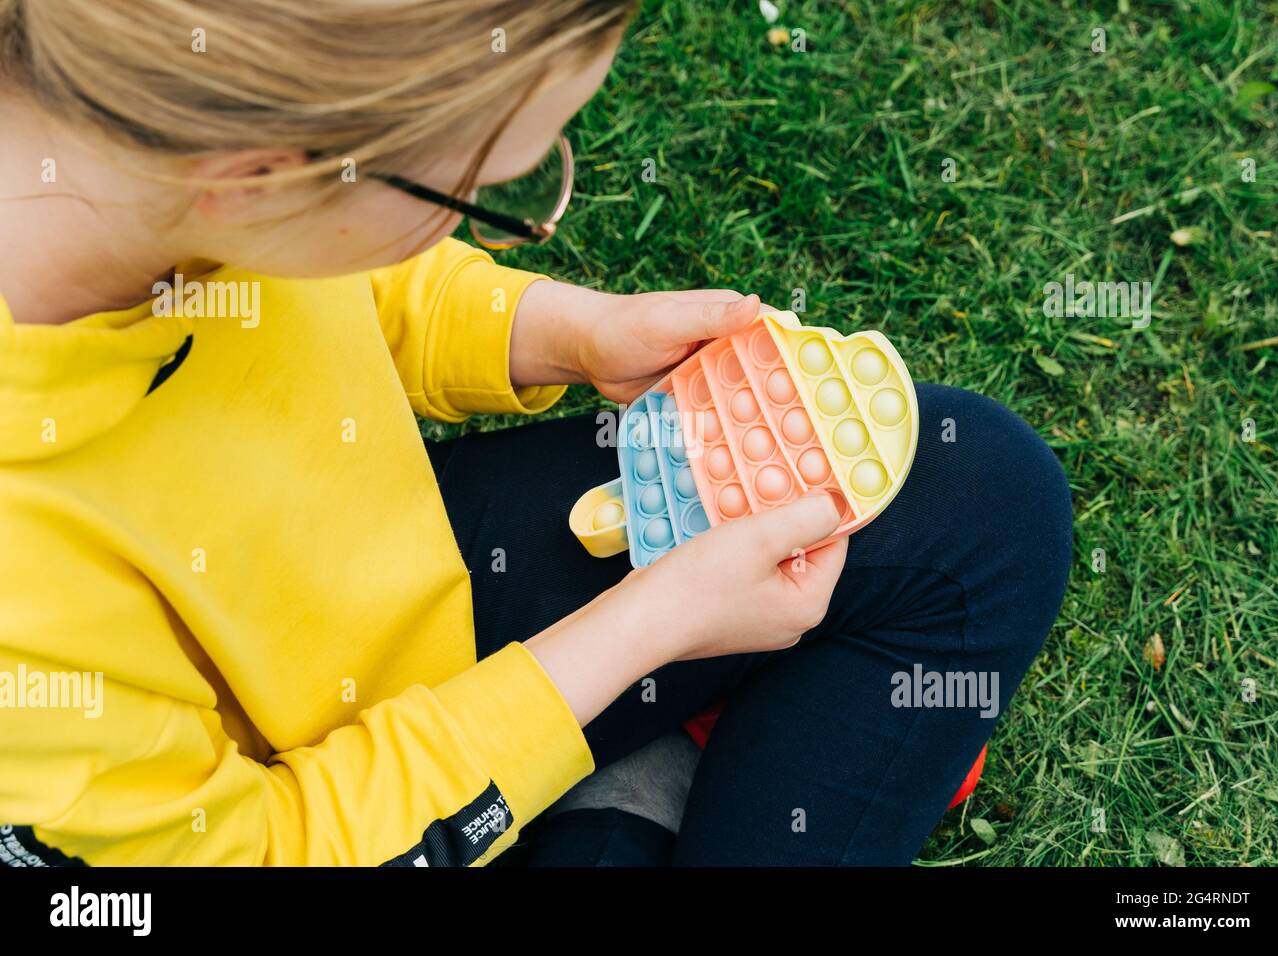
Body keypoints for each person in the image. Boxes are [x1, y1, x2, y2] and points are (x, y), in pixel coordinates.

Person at [0, 0, 1071, 867]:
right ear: (256, 181)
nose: (488, 209)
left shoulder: (123, 147)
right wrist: (650, 629)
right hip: (330, 801)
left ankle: (615, 786)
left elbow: (354, 278)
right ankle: (616, 797)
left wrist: (570, 331)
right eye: (477, 182)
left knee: (981, 494)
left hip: (408, 588)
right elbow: (272, 845)